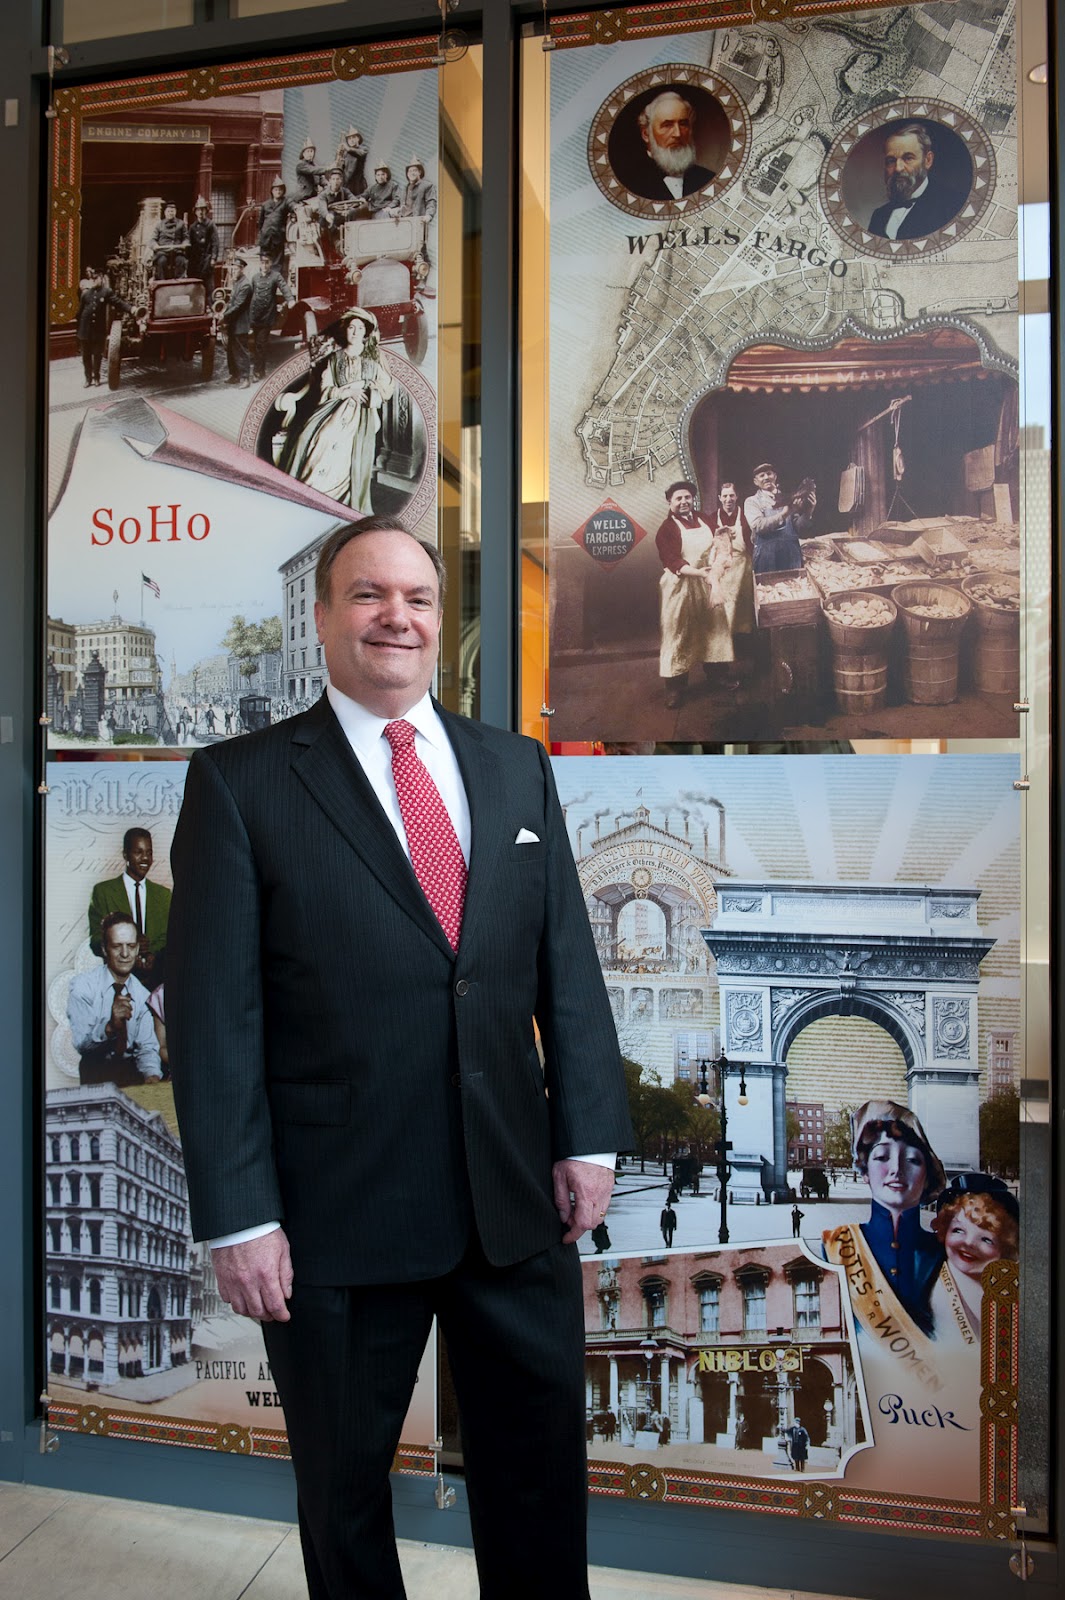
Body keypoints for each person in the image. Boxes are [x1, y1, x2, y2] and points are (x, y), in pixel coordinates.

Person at [166, 516, 634, 1600]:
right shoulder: (240, 783)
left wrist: (591, 1134)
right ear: (325, 617)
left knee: (535, 1486)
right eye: (369, 595)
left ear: (440, 618)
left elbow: (568, 966)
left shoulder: (514, 767)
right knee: (343, 1499)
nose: (397, 616)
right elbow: (212, 1017)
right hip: (337, 1218)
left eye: (418, 598)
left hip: (511, 1204)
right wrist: (239, 1215)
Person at [823, 1099, 946, 1339]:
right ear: (864, 1171)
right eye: (881, 1157)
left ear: (927, 1175)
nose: (896, 1170)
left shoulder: (946, 1252)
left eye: (912, 1159)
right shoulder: (835, 1245)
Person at [275, 306, 394, 513]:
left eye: (359, 328)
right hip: (333, 407)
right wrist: (346, 391)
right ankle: (311, 492)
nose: (355, 332)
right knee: (316, 436)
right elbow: (326, 388)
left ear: (366, 332)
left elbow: (387, 388)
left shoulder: (373, 360)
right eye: (351, 327)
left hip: (361, 412)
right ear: (345, 331)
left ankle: (337, 497)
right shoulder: (335, 358)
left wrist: (370, 390)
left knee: (347, 446)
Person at [655, 480, 737, 709]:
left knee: (715, 628)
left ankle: (718, 675)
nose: (684, 502)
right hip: (681, 583)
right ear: (670, 502)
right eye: (678, 499)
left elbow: (720, 546)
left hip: (707, 581)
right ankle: (675, 687)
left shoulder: (704, 519)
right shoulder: (666, 529)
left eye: (687, 497)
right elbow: (672, 561)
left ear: (693, 499)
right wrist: (699, 573)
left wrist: (717, 566)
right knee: (678, 633)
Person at [68, 912, 164, 1087]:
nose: (125, 954)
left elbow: (147, 1048)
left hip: (130, 1077)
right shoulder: (82, 986)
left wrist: (152, 1076)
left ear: (137, 949)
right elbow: (81, 1044)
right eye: (117, 946)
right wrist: (110, 1027)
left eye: (131, 946)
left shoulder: (143, 996)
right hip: (94, 1078)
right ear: (105, 949)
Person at [930, 1172, 1019, 1347]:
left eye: (986, 1239)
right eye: (958, 1230)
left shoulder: (1010, 1294)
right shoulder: (926, 1285)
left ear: (1005, 1247)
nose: (969, 1243)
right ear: (944, 1230)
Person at [88, 826, 171, 988]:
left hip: (155, 985)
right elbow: (96, 940)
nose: (145, 858)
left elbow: (169, 938)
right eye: (139, 852)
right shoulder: (103, 892)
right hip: (116, 985)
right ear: (125, 854)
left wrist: (154, 956)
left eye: (149, 852)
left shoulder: (163, 895)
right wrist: (130, 949)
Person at [867, 122, 966, 241]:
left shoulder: (952, 205)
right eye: (891, 160)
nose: (898, 168)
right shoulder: (879, 216)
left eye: (908, 158)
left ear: (928, 160)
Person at [626, 90, 716, 204]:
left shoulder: (708, 178)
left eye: (683, 124)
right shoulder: (631, 183)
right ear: (646, 134)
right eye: (667, 125)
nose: (677, 134)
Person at [743, 463, 816, 574]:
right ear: (755, 481)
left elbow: (797, 528)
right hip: (766, 557)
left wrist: (808, 511)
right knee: (768, 589)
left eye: (769, 473)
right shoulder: (752, 501)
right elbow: (758, 526)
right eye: (761, 475)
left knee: (795, 588)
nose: (766, 477)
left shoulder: (788, 498)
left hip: (791, 555)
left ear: (775, 476)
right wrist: (784, 514)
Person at [76, 268, 130, 388]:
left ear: (101, 277)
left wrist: (131, 309)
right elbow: (80, 313)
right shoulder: (85, 294)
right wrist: (78, 331)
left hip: (98, 330)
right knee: (86, 356)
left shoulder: (106, 292)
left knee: (97, 355)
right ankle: (88, 379)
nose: (94, 281)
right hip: (85, 330)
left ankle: (96, 377)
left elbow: (118, 303)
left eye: (96, 278)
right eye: (92, 278)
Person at [248, 251, 296, 381]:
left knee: (260, 344)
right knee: (253, 344)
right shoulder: (255, 277)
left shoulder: (276, 276)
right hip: (255, 316)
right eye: (262, 262)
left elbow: (284, 287)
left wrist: (290, 299)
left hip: (267, 316)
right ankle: (258, 369)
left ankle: (258, 372)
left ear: (271, 264)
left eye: (267, 262)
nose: (264, 265)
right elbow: (252, 295)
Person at [221, 255, 253, 388]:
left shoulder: (245, 285)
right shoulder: (237, 283)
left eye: (236, 269)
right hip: (233, 323)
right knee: (231, 350)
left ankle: (245, 378)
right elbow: (231, 302)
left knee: (242, 351)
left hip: (240, 323)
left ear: (242, 269)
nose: (233, 271)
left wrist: (224, 316)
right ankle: (234, 375)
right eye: (232, 269)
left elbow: (238, 305)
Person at [188, 197, 221, 302]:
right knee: (196, 285)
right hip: (196, 261)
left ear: (206, 211)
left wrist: (213, 258)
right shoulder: (193, 227)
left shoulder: (210, 225)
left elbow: (215, 242)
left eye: (202, 209)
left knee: (209, 286)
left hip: (207, 258)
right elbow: (189, 244)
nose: (200, 212)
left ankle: (211, 307)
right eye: (198, 210)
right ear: (195, 212)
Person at [150, 202, 189, 279]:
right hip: (163, 251)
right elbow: (153, 239)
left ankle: (179, 283)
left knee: (181, 261)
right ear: (165, 213)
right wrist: (155, 245)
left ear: (175, 212)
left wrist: (185, 244)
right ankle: (162, 283)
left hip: (177, 250)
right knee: (161, 261)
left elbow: (186, 238)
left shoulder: (181, 224)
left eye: (172, 211)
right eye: (168, 211)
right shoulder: (159, 225)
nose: (170, 213)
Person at [258, 179, 291, 266]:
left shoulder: (285, 202)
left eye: (280, 190)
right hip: (266, 236)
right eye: (276, 190)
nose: (278, 192)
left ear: (283, 191)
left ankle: (276, 278)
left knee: (277, 262)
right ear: (272, 191)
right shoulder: (265, 204)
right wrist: (262, 233)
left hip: (278, 236)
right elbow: (260, 222)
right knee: (264, 260)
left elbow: (292, 205)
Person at [336, 126, 369, 196]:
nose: (351, 140)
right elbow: (339, 168)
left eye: (353, 137)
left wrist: (347, 149)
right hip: (346, 184)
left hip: (358, 186)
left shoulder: (363, 149)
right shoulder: (345, 153)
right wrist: (339, 156)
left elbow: (360, 153)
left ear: (358, 138)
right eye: (349, 138)